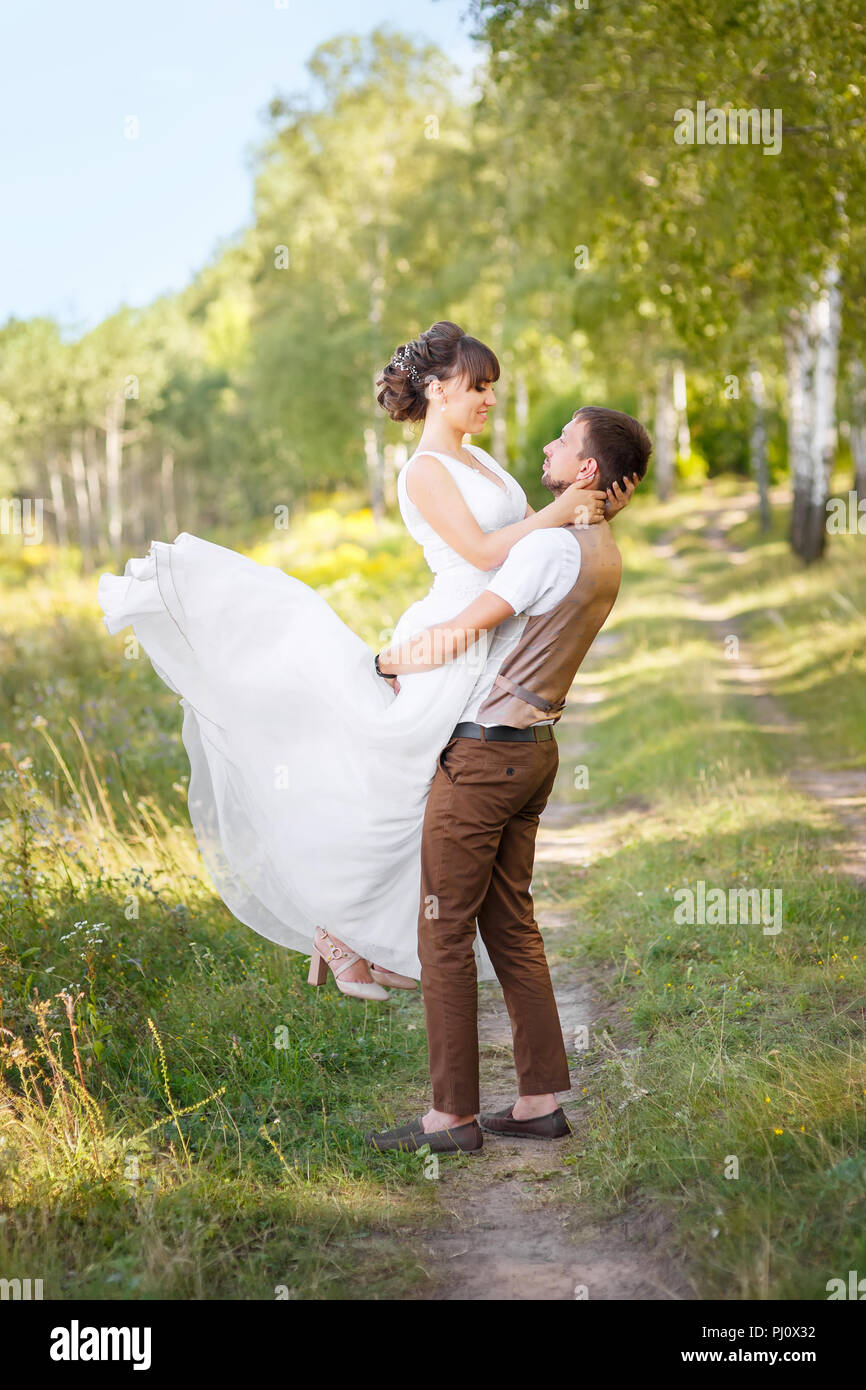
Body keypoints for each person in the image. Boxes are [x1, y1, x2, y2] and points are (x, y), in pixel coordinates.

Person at [97, 323, 631, 999]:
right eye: (479, 386)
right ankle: (336, 928)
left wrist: (589, 513)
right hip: (449, 636)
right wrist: (563, 510)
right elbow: (483, 552)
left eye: (493, 387)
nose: (490, 399)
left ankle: (374, 941)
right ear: (438, 390)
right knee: (401, 792)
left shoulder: (484, 462)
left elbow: (530, 542)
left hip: (489, 635)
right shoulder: (423, 472)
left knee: (426, 798)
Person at [365, 405, 652, 1154]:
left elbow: (468, 629)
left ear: (586, 469)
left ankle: (451, 1116)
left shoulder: (547, 549)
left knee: (443, 932)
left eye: (564, 439)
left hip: (484, 758)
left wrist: (385, 661)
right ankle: (538, 1101)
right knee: (512, 927)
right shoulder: (603, 550)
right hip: (534, 753)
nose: (548, 446)